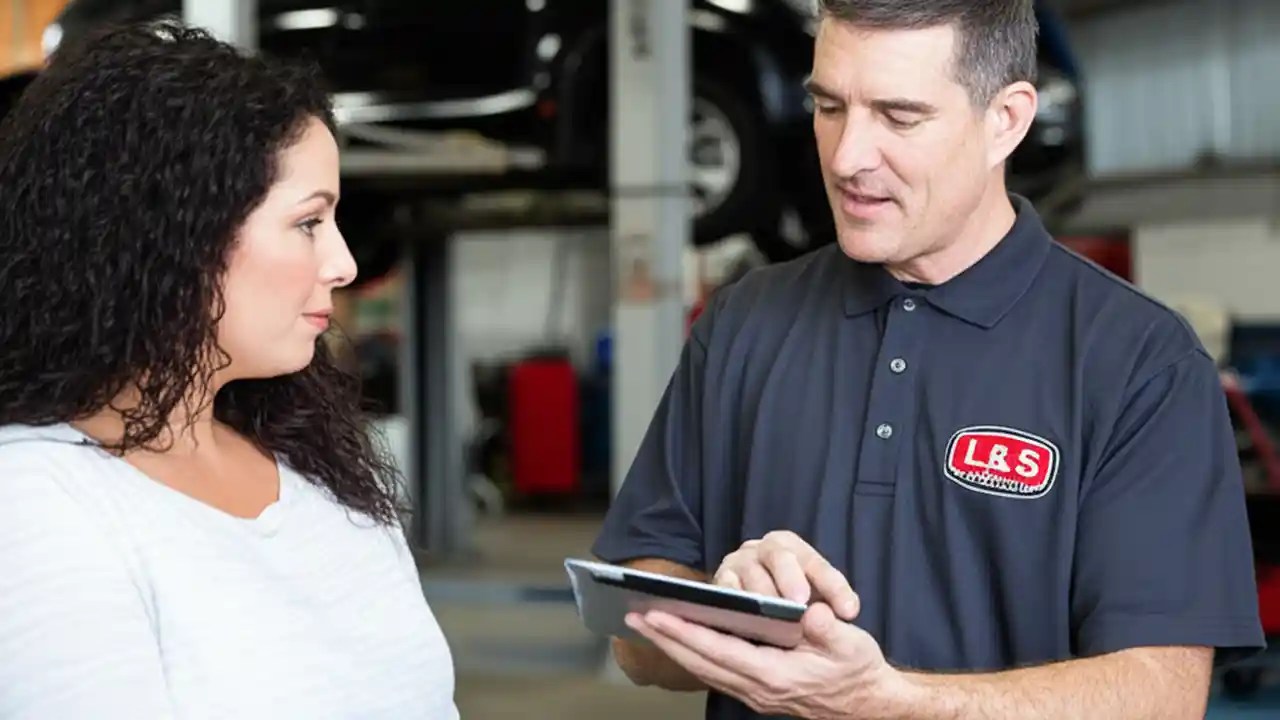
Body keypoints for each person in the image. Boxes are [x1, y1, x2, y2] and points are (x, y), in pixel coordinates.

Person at [591, 1, 1266, 718]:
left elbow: (1160, 698)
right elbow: (633, 639)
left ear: (1005, 119)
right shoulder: (743, 325)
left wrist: (885, 701)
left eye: (898, 116)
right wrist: (731, 610)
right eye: (829, 106)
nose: (847, 156)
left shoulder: (1139, 364)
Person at [0, 21, 458, 719]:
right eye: (309, 222)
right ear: (178, 235)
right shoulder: (38, 504)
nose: (344, 264)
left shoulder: (320, 465)